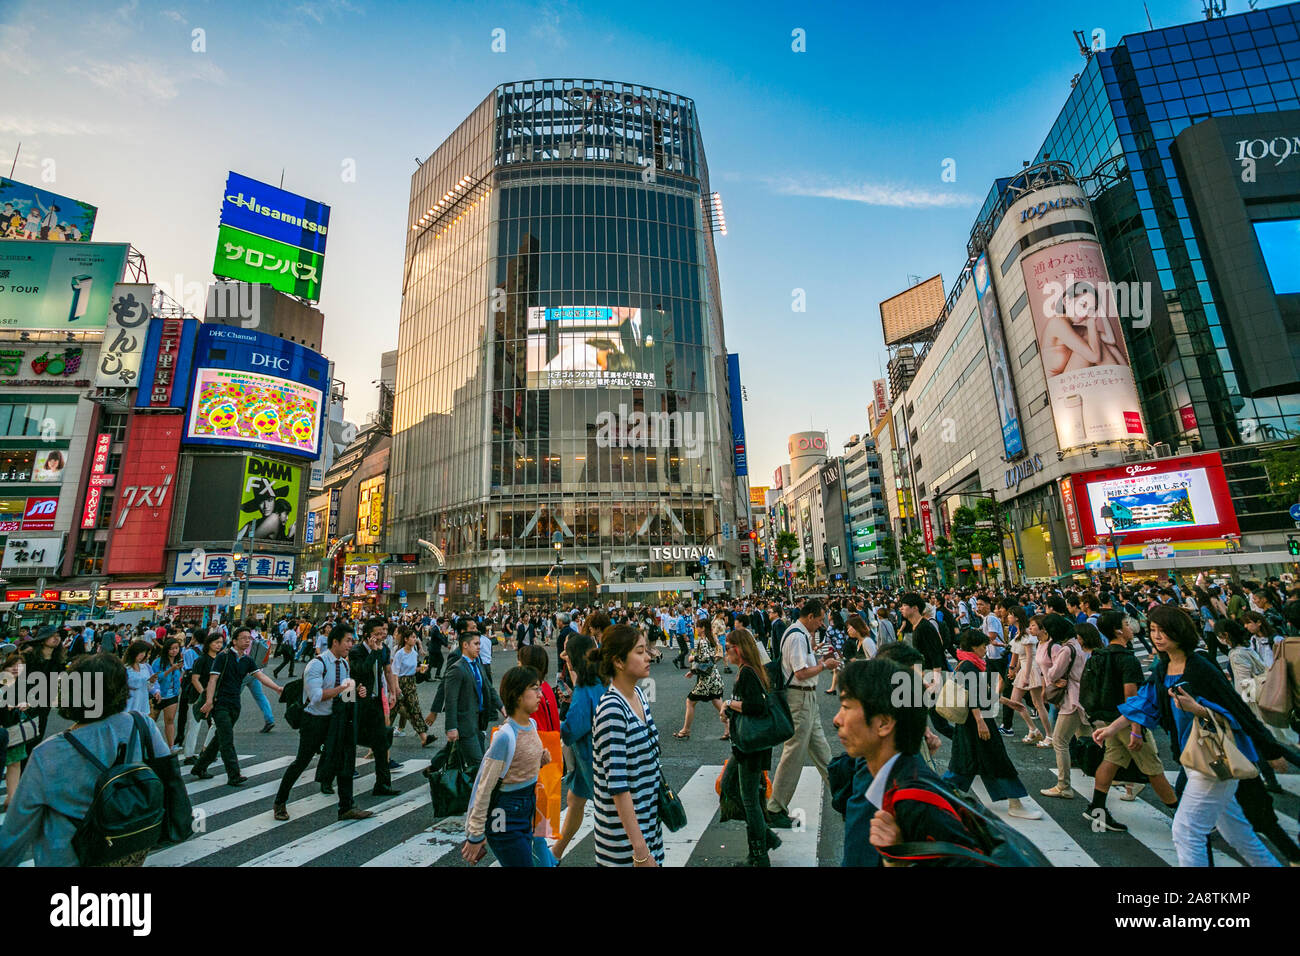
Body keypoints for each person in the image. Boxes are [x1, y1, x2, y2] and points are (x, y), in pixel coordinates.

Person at [1093, 604, 1297, 867]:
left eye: (1163, 631)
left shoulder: (1200, 666)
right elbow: (1145, 701)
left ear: (1179, 632)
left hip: (1214, 756)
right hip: (1192, 757)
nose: (1156, 636)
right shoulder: (1163, 667)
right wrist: (1112, 728)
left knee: (1186, 831)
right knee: (1237, 832)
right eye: (1153, 630)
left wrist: (1198, 709)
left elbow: (1235, 709)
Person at [0, 653, 173, 866]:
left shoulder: (50, 751)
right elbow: (168, 777)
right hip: (124, 848)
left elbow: (16, 830)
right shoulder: (143, 726)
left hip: (67, 854)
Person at [830, 658, 984, 866]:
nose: (837, 720)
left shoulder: (914, 801)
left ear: (884, 723)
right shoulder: (895, 780)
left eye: (846, 707)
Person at [273, 624, 372, 822]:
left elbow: (346, 695)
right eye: (348, 641)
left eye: (352, 641)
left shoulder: (344, 664)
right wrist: (342, 688)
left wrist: (357, 691)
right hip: (314, 720)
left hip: (336, 718)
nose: (350, 645)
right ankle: (280, 801)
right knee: (302, 761)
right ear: (335, 642)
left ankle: (346, 806)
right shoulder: (316, 664)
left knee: (345, 760)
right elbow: (316, 696)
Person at [942, 630, 1041, 819]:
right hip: (978, 722)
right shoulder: (970, 666)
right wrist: (981, 722)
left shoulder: (966, 663)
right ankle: (1015, 803)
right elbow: (973, 698)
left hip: (969, 723)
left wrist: (1006, 702)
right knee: (996, 759)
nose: (985, 650)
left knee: (964, 765)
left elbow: (979, 694)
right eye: (982, 646)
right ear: (973, 647)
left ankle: (940, 793)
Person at [461, 665, 553, 867]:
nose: (540, 693)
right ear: (518, 695)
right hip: (505, 815)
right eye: (534, 688)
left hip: (526, 808)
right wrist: (475, 834)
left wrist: (539, 762)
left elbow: (516, 770)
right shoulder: (505, 736)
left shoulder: (532, 725)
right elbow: (484, 787)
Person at [592, 624, 663, 866]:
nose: (648, 656)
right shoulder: (612, 710)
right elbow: (618, 786)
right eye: (640, 651)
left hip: (648, 826)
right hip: (624, 845)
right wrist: (640, 851)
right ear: (619, 662)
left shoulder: (638, 696)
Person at [766, 599, 841, 828]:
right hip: (799, 696)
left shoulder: (797, 633)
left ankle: (844, 794)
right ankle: (775, 808)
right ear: (809, 616)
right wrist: (825, 666)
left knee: (822, 749)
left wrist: (817, 659)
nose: (820, 624)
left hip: (806, 697)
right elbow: (800, 673)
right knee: (794, 753)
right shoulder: (798, 636)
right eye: (819, 620)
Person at [191, 627, 283, 787]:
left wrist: (277, 688)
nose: (247, 641)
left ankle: (199, 767)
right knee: (226, 738)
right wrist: (209, 701)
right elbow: (212, 680)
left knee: (219, 738)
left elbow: (260, 676)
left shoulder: (247, 660)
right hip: (220, 703)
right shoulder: (223, 657)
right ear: (234, 641)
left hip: (235, 704)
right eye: (244, 638)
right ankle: (234, 775)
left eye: (249, 638)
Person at [723, 627, 781, 866]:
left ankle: (759, 852)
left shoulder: (747, 672)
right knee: (734, 788)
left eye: (728, 649)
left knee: (747, 798)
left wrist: (730, 704)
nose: (726, 653)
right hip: (750, 744)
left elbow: (756, 706)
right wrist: (730, 709)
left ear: (739, 649)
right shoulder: (751, 670)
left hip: (750, 746)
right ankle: (764, 839)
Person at [554, 634, 601, 861]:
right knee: (575, 800)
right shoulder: (602, 678)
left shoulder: (585, 688)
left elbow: (572, 730)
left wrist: (551, 722)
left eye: (568, 655)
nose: (565, 659)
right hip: (593, 758)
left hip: (592, 757)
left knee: (609, 814)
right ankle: (556, 852)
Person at [1039, 613, 1091, 799]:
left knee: (1060, 740)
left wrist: (1057, 677)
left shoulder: (1066, 650)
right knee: (1090, 741)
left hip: (1072, 699)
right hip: (1083, 697)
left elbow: (1052, 674)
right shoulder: (1077, 645)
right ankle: (1118, 779)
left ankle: (1064, 785)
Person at [442, 631, 504, 768]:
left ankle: (434, 767)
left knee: (475, 762)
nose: (479, 647)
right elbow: (450, 700)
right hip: (465, 724)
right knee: (478, 765)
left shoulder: (477, 663)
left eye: (479, 644)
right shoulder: (457, 668)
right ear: (465, 645)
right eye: (476, 644)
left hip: (479, 721)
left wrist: (502, 707)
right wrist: (451, 727)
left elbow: (489, 688)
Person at [674, 626, 726, 740]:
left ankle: (686, 729)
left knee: (690, 701)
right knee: (717, 701)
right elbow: (712, 658)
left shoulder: (703, 641)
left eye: (697, 627)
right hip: (714, 675)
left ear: (702, 628)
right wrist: (693, 671)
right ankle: (729, 728)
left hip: (706, 679)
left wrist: (693, 658)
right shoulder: (711, 639)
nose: (695, 629)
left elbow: (705, 658)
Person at [18, 626, 64, 749]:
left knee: (37, 737)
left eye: (58, 635)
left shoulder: (58, 661)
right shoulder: (28, 657)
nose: (56, 638)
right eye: (52, 636)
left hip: (44, 705)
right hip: (25, 704)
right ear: (43, 640)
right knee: (21, 740)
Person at [391, 626, 435, 748]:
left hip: (411, 682)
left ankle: (424, 737)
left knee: (415, 709)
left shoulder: (414, 653)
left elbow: (413, 669)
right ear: (406, 639)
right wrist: (396, 687)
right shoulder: (399, 653)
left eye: (415, 637)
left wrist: (421, 669)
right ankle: (380, 738)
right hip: (400, 682)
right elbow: (395, 671)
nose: (415, 639)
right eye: (412, 637)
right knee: (392, 711)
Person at [517, 645, 560, 733]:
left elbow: (535, 728)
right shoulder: (546, 686)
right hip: (553, 739)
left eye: (520, 662)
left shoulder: (531, 693)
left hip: (541, 742)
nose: (518, 665)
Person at [152, 638, 184, 750]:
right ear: (166, 650)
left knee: (170, 720)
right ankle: (149, 745)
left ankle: (171, 746)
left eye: (176, 648)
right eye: (171, 649)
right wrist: (171, 669)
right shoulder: (158, 662)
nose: (174, 651)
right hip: (158, 694)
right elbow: (155, 678)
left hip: (172, 694)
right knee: (151, 721)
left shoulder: (178, 661)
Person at [123, 641, 159, 717]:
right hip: (129, 708)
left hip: (143, 707)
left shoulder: (145, 667)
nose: (144, 656)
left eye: (146, 653)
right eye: (142, 653)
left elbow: (146, 687)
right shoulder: (125, 669)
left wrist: (151, 682)